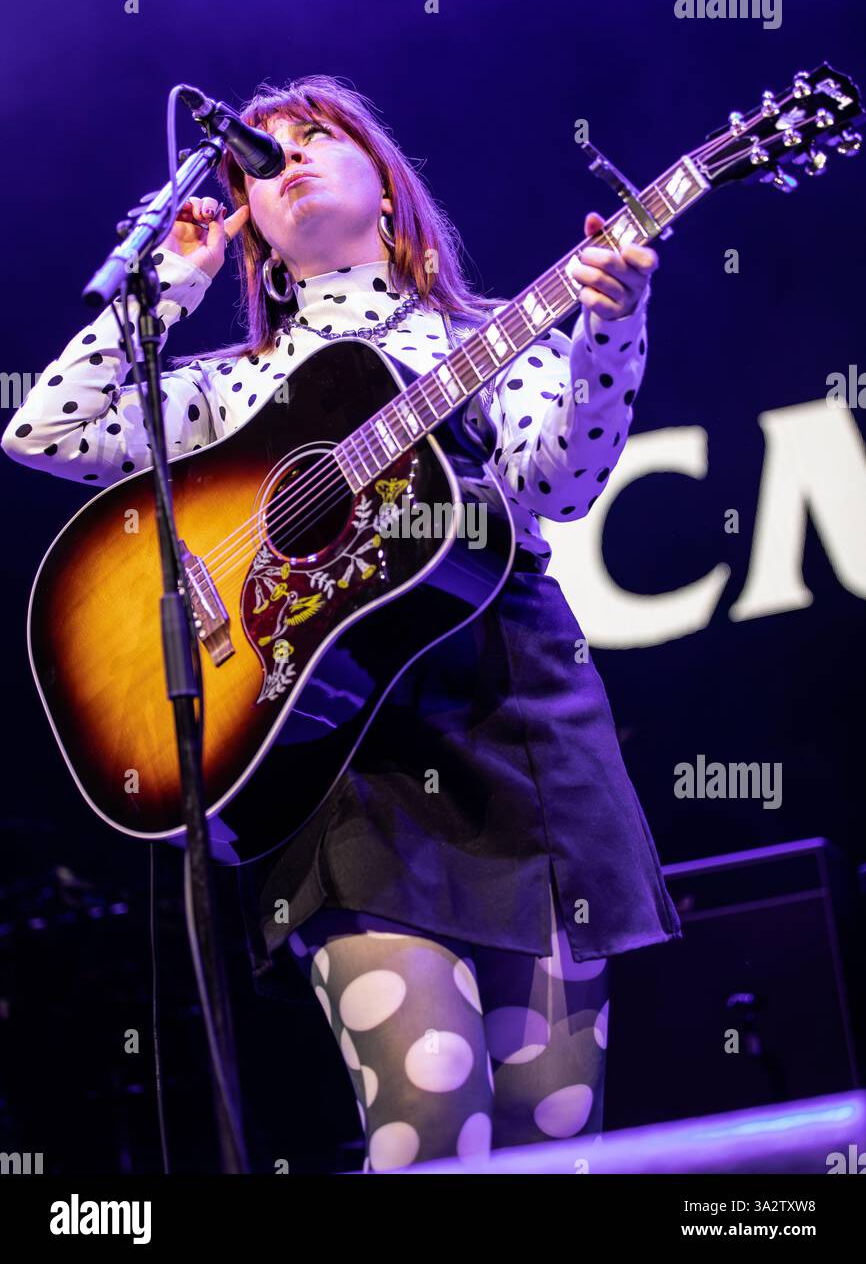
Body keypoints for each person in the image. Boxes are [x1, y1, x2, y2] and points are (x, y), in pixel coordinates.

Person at [2, 74, 682, 1173]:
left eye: (318, 134)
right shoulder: (235, 389)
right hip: (335, 755)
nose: (287, 154)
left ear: (386, 190)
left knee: (552, 1140)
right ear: (256, 230)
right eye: (260, 156)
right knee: (427, 1115)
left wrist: (615, 324)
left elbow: (558, 482)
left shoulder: (484, 333)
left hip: (517, 720)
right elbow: (46, 429)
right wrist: (168, 281)